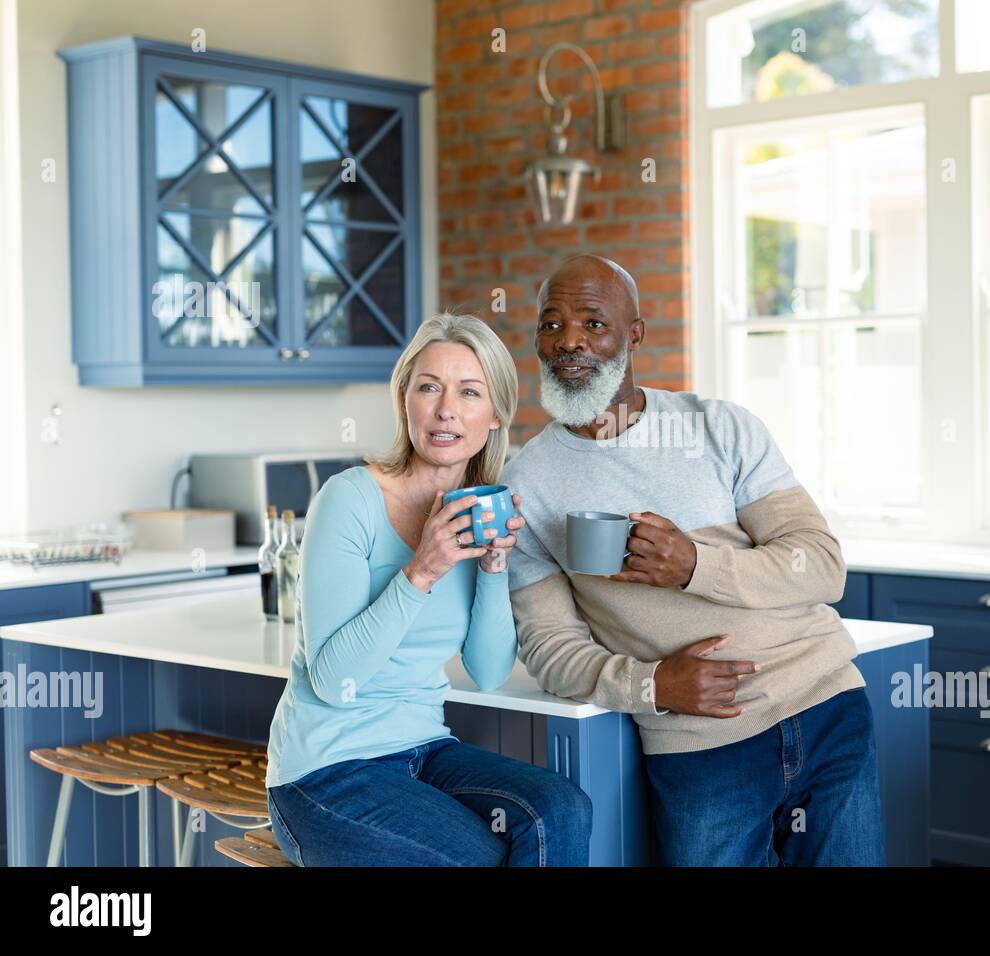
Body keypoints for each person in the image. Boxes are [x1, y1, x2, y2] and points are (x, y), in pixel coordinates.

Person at [501, 254, 884, 867]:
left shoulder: (721, 427)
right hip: (699, 745)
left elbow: (821, 566)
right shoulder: (525, 485)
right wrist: (652, 686)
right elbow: (548, 647)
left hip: (827, 707)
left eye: (593, 322)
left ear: (634, 334)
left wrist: (694, 566)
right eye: (551, 324)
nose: (568, 340)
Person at [265, 312, 593, 866]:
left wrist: (493, 568)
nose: (446, 410)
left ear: (494, 416)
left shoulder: (477, 510)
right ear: (405, 402)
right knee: (478, 858)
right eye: (429, 388)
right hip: (325, 772)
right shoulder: (349, 499)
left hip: (424, 749)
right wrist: (421, 570)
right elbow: (331, 680)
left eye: (469, 392)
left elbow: (488, 672)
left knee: (561, 809)